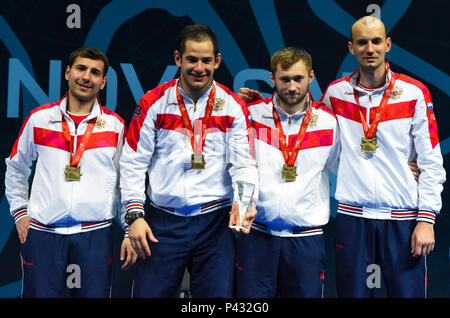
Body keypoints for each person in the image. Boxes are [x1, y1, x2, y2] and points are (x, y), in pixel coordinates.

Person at [119, 24, 259, 298]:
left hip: (214, 225)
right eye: (192, 59)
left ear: (217, 61)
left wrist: (244, 202)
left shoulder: (232, 106)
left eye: (206, 60)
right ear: (177, 59)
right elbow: (133, 162)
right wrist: (134, 216)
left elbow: (244, 164)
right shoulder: (153, 103)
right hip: (161, 224)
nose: (199, 67)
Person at [318, 16, 446, 297]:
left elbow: (432, 163)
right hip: (353, 219)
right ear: (351, 47)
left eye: (376, 41)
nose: (370, 48)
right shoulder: (336, 93)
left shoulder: (413, 93)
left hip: (402, 220)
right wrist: (262, 107)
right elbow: (307, 128)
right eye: (362, 42)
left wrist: (426, 220)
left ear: (388, 44)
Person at [5, 47, 136, 298]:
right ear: (67, 72)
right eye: (81, 68)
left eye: (95, 72)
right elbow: (16, 168)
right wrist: (20, 213)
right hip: (44, 233)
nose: (87, 77)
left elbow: (126, 182)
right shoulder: (39, 119)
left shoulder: (115, 125)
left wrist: (129, 228)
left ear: (103, 81)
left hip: (95, 234)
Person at [235, 47, 340, 298]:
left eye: (298, 79)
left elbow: (351, 167)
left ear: (311, 77)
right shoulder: (252, 115)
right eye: (285, 79)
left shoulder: (329, 122)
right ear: (272, 78)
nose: (292, 86)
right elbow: (239, 165)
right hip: (257, 235)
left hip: (306, 240)